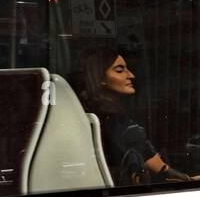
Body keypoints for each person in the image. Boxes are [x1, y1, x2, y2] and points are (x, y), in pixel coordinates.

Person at [77, 47, 192, 186]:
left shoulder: (87, 113)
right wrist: (189, 180)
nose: (131, 75)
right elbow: (160, 169)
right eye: (119, 70)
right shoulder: (119, 122)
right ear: (100, 78)